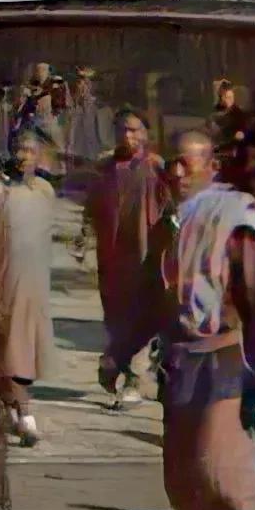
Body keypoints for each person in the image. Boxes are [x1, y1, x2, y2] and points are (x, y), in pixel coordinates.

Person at [148, 126, 255, 510]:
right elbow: (145, 293)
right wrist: (117, 351)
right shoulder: (166, 222)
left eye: (189, 162)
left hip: (229, 354)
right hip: (179, 359)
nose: (178, 171)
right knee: (182, 479)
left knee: (220, 468)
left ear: (212, 165)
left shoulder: (233, 215)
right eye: (173, 162)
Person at [81, 110, 166, 406]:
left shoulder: (156, 168)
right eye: (121, 130)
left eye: (133, 130)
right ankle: (114, 362)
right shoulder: (104, 167)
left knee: (139, 318)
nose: (126, 136)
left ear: (145, 133)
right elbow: (91, 208)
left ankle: (132, 378)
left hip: (145, 259)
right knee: (115, 318)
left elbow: (171, 210)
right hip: (111, 258)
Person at [0, 134, 60, 446]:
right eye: (19, 149)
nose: (24, 156)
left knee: (25, 352)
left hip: (35, 287)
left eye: (31, 151)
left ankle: (15, 410)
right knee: (7, 350)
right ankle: (24, 412)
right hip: (1, 284)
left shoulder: (46, 191)